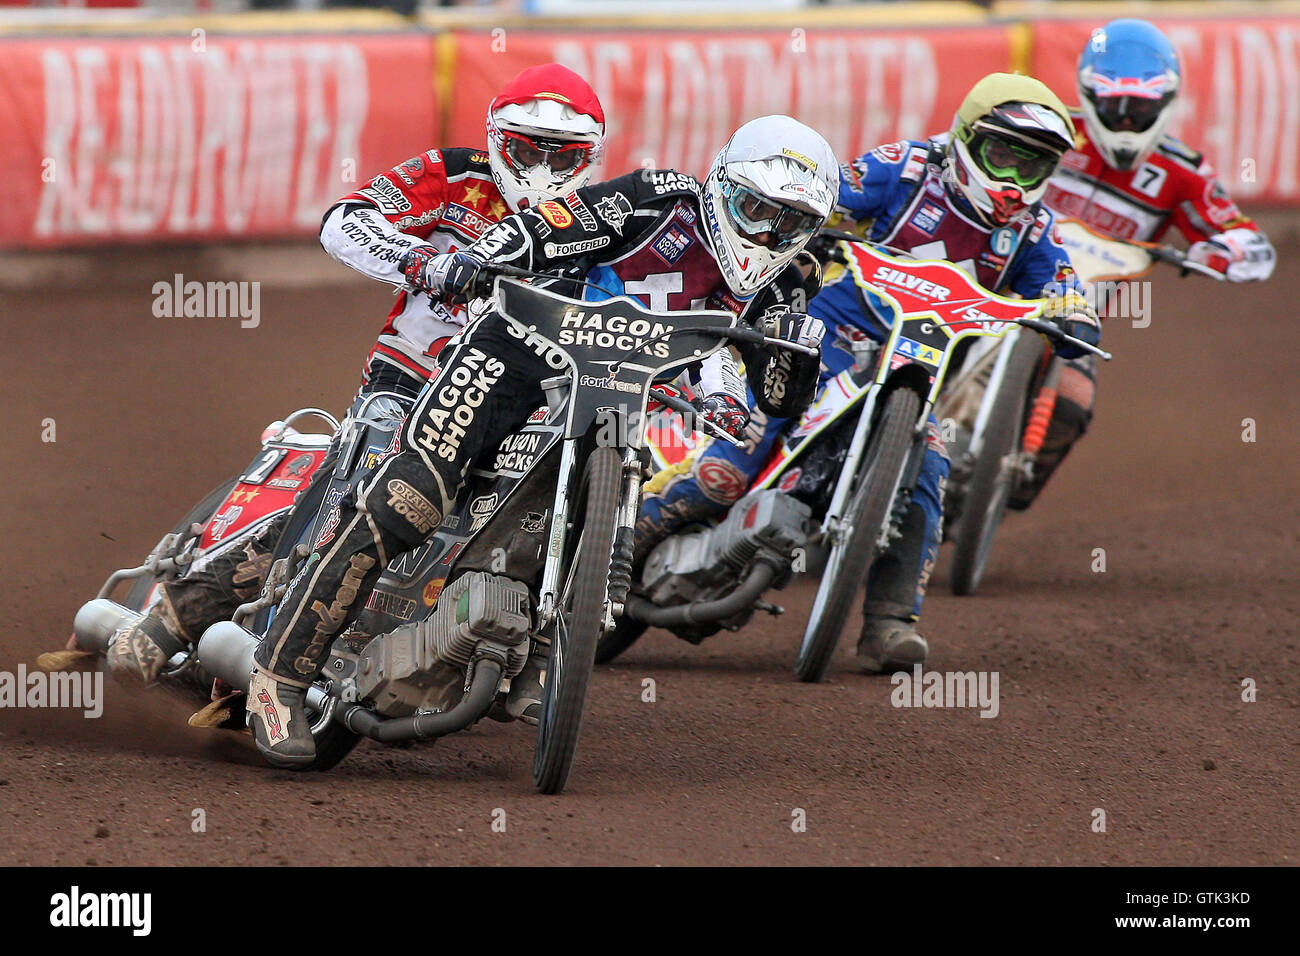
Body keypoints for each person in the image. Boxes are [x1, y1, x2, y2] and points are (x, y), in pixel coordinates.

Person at [246, 114, 838, 767]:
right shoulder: (655, 197)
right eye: (755, 209)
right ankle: (281, 677)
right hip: (517, 354)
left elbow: (779, 393)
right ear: (723, 184)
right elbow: (540, 227)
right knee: (408, 499)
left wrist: (795, 358)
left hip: (612, 394)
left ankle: (539, 646)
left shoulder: (789, 278)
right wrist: (476, 262)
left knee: (593, 489)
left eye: (789, 223)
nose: (766, 233)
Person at [101, 64, 609, 686]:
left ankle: (523, 654)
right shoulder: (455, 175)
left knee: (578, 483)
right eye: (528, 150)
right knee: (354, 508)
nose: (542, 168)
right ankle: (181, 617)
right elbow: (345, 220)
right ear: (499, 140)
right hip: (415, 378)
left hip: (528, 406)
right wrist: (421, 260)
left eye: (564, 156)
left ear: (591, 156)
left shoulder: (607, 219)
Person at [637, 73, 1101, 674]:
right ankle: (609, 561)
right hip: (828, 339)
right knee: (731, 465)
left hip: (918, 372)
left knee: (931, 464)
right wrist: (814, 223)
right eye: (1003, 155)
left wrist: (1074, 314)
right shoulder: (907, 169)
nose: (1013, 180)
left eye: (1032, 167)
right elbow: (831, 192)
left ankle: (890, 622)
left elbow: (1065, 288)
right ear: (966, 139)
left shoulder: (1032, 233)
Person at [1032, 17, 1276, 505]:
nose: (1125, 122)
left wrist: (1223, 251)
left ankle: (999, 491)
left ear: (1165, 106)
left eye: (1139, 111)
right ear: (1088, 94)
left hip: (1077, 314)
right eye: (1115, 107)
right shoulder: (1045, 129)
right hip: (988, 286)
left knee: (1072, 404)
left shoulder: (1182, 172)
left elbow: (1244, 239)